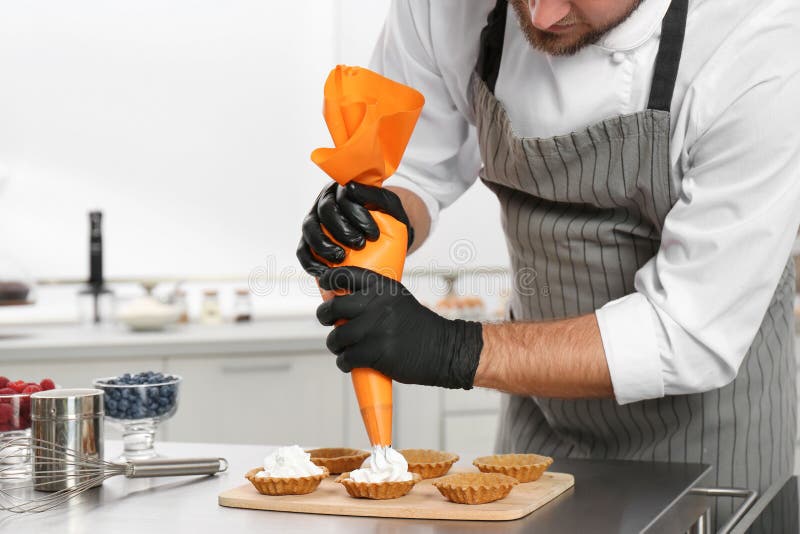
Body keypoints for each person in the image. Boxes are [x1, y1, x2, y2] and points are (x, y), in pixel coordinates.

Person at [297, 0, 800, 529]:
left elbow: (688, 331)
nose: (538, 17)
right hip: (538, 431)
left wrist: (453, 349)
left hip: (710, 443)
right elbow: (417, 167)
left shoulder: (756, 42)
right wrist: (379, 218)